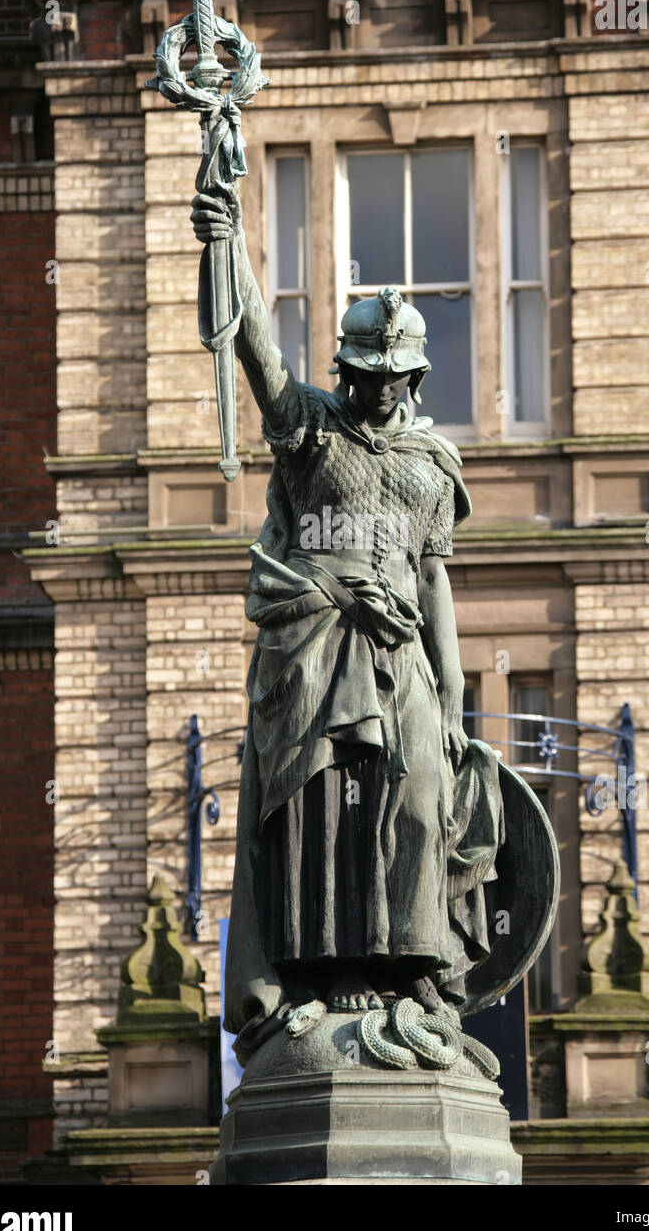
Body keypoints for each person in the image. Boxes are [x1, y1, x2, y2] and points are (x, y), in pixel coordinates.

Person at [191, 186, 504, 1059]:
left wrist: (451, 698)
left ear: (412, 379)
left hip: (400, 655)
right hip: (315, 650)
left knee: (417, 799)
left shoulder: (432, 463)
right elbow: (257, 355)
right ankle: (322, 977)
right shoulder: (309, 430)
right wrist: (231, 244)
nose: (368, 389)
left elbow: (435, 580)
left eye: (384, 379)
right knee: (320, 810)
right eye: (356, 376)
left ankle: (411, 969)